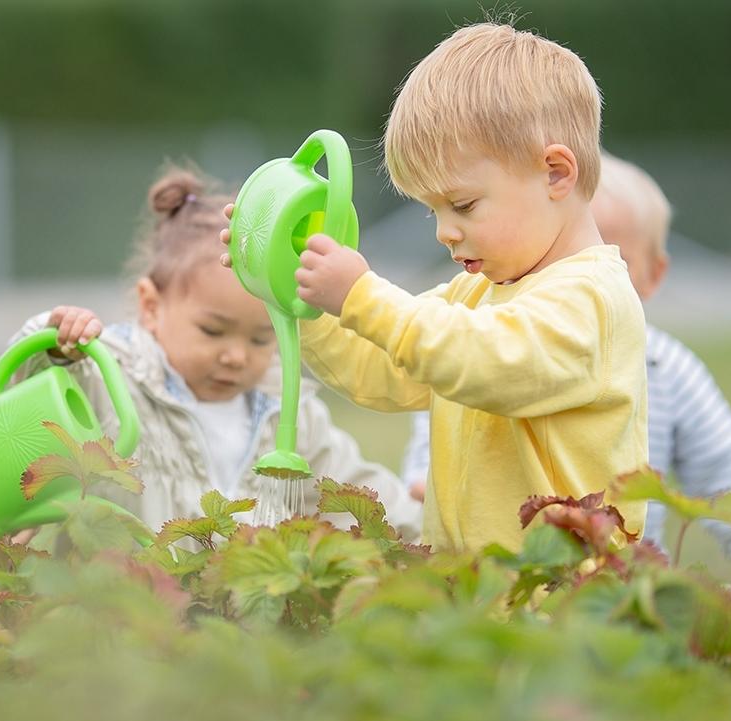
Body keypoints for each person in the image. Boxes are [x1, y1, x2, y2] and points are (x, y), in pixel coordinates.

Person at [223, 23, 649, 554]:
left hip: (555, 607)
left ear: (557, 174)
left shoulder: (590, 300)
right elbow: (383, 367)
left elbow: (481, 360)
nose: (444, 231)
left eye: (463, 205)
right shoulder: (476, 296)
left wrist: (360, 294)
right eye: (433, 211)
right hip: (476, 596)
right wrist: (307, 296)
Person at [400, 153, 731, 578]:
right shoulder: (496, 343)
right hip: (503, 567)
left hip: (614, 582)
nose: (581, 276)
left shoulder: (669, 368)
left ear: (653, 275)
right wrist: (426, 475)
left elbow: (729, 471)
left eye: (612, 257)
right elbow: (444, 411)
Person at [11, 166, 420, 539]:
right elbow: (23, 402)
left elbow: (356, 488)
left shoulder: (289, 413)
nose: (236, 356)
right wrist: (56, 347)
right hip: (123, 609)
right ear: (151, 307)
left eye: (261, 338)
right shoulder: (109, 380)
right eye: (213, 331)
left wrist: (424, 531)